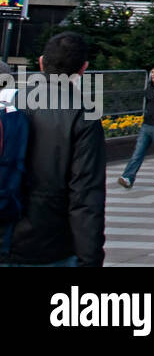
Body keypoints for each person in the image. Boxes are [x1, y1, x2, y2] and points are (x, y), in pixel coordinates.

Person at [1, 32, 105, 267]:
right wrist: (90, 259)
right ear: (82, 69)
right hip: (49, 244)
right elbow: (86, 196)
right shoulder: (84, 115)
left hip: (5, 233)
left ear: (40, 62)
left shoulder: (10, 102)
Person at [118, 65, 154, 188]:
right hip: (147, 124)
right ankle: (128, 177)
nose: (153, 74)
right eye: (152, 72)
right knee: (138, 152)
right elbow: (147, 96)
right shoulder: (150, 87)